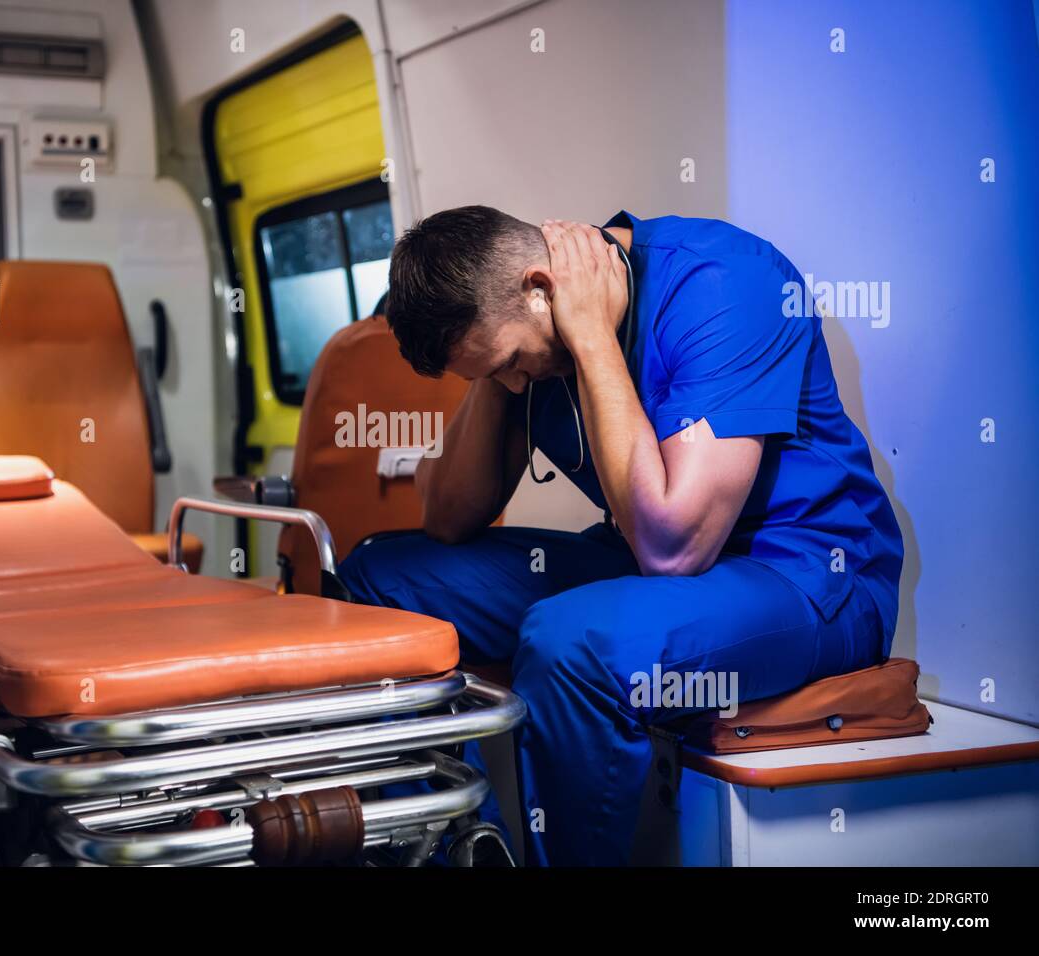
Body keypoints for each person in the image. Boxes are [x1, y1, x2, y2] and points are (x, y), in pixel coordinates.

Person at [339, 206, 904, 865]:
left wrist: (591, 340)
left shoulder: (724, 284)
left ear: (542, 285)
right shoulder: (522, 343)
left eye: (513, 361)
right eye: (495, 372)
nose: (519, 380)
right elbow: (448, 517)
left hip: (805, 576)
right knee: (381, 576)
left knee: (571, 641)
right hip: (650, 559)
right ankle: (466, 855)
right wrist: (494, 380)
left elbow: (676, 548)